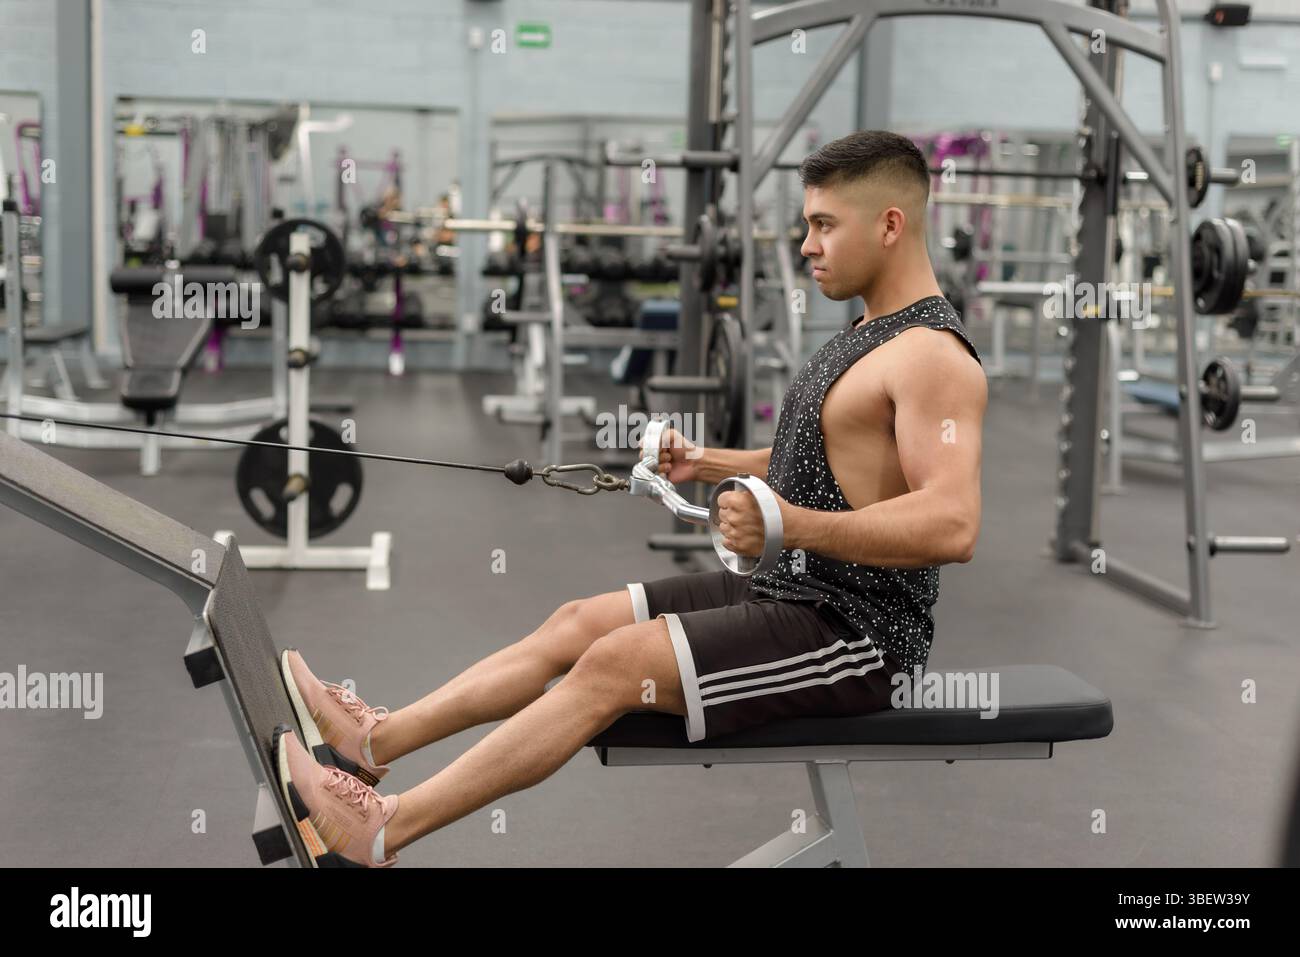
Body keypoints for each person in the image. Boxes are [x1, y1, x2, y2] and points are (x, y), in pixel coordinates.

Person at [273, 129, 988, 867]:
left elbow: (953, 520)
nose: (807, 243)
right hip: (795, 589)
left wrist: (786, 523)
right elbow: (816, 460)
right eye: (807, 224)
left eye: (823, 225)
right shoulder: (868, 330)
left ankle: (382, 828)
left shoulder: (933, 357)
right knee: (576, 623)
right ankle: (372, 742)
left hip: (856, 637)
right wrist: (705, 462)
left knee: (617, 662)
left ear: (891, 225)